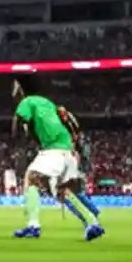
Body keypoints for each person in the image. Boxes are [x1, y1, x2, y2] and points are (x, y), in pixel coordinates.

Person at [11, 79, 104, 241]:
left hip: (54, 150)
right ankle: (92, 219)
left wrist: (16, 142)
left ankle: (33, 225)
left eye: (15, 88)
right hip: (68, 149)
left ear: (20, 89)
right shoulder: (47, 103)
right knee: (64, 189)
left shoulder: (27, 101)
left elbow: (18, 122)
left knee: (32, 178)